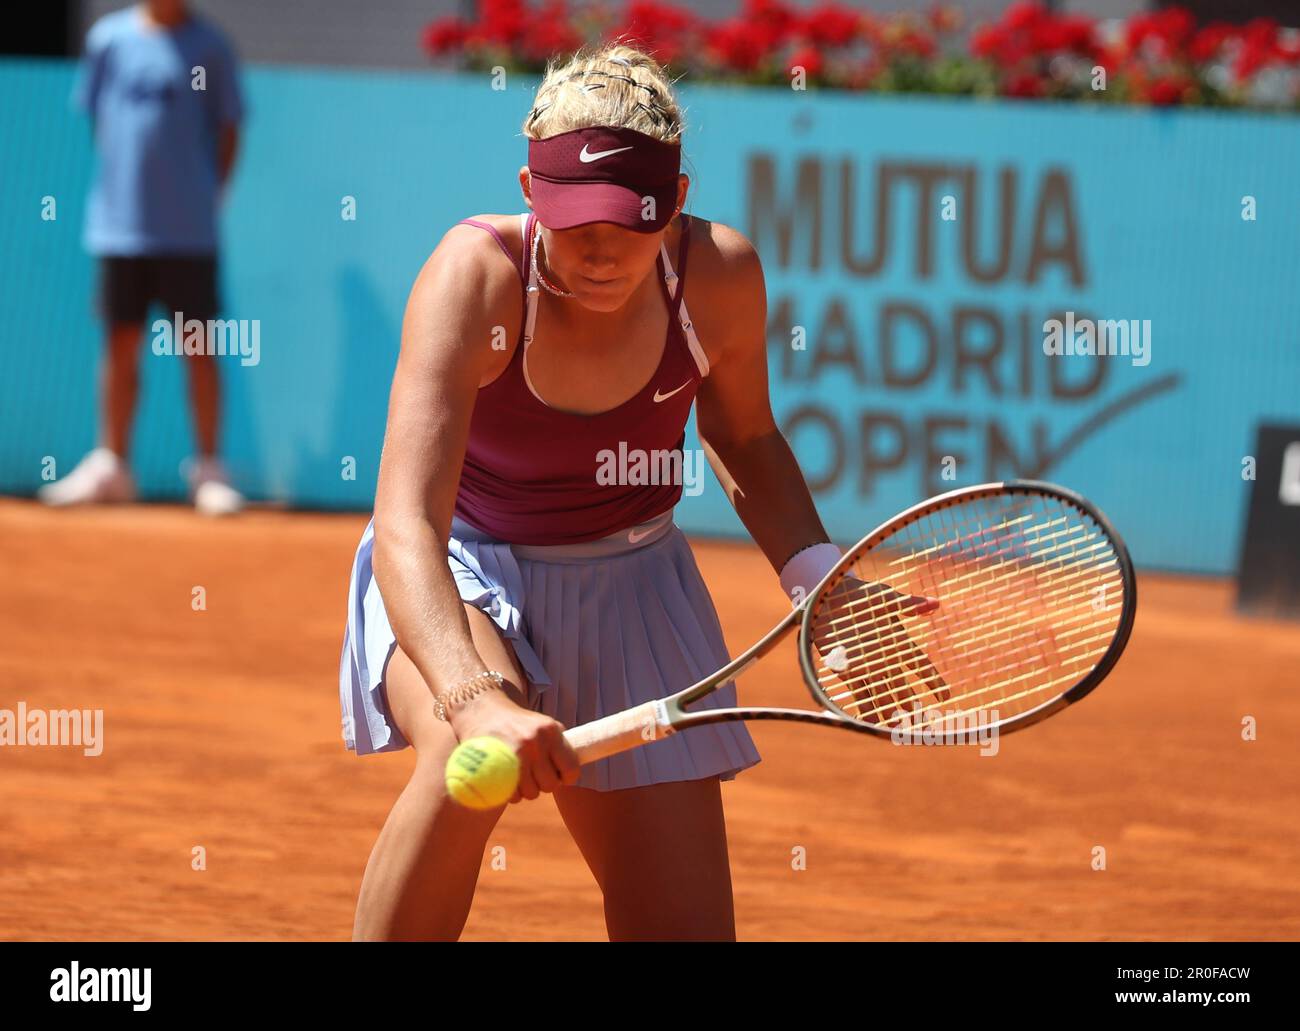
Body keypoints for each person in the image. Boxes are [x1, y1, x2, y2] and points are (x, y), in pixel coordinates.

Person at [338, 42, 851, 942]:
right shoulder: (473, 277)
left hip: (634, 585)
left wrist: (818, 576)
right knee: (473, 754)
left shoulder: (719, 277)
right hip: (460, 568)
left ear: (678, 204)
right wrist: (475, 697)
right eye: (575, 220)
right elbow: (406, 522)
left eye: (633, 219)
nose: (604, 251)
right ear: (531, 192)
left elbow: (744, 434)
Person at [41, 0, 244, 514]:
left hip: (190, 235)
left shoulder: (211, 48)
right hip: (118, 230)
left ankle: (208, 470)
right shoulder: (108, 40)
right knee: (120, 343)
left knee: (199, 347)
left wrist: (199, 198)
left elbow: (228, 129)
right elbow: (99, 121)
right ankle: (112, 465)